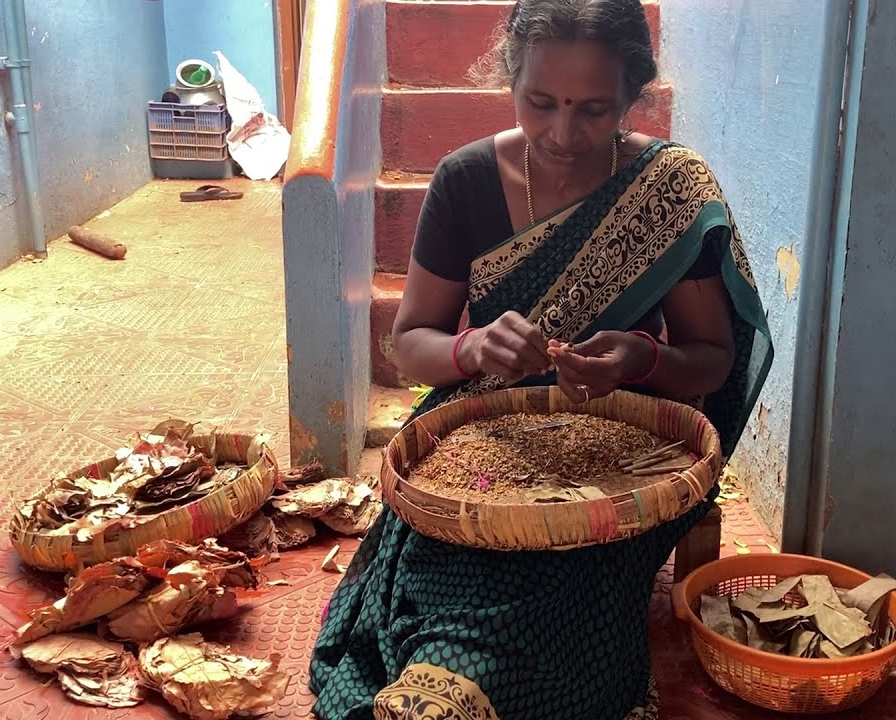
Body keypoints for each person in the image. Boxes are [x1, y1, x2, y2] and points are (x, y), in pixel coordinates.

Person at [310, 1, 772, 718]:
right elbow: (411, 343)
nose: (563, 134)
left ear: (633, 94)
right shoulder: (466, 179)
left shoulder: (667, 190)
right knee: (449, 560)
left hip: (621, 456)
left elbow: (710, 361)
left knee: (567, 582)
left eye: (594, 109)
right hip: (479, 434)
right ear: (509, 78)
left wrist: (638, 359)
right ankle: (438, 683)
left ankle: (466, 689)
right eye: (540, 102)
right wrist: (470, 347)